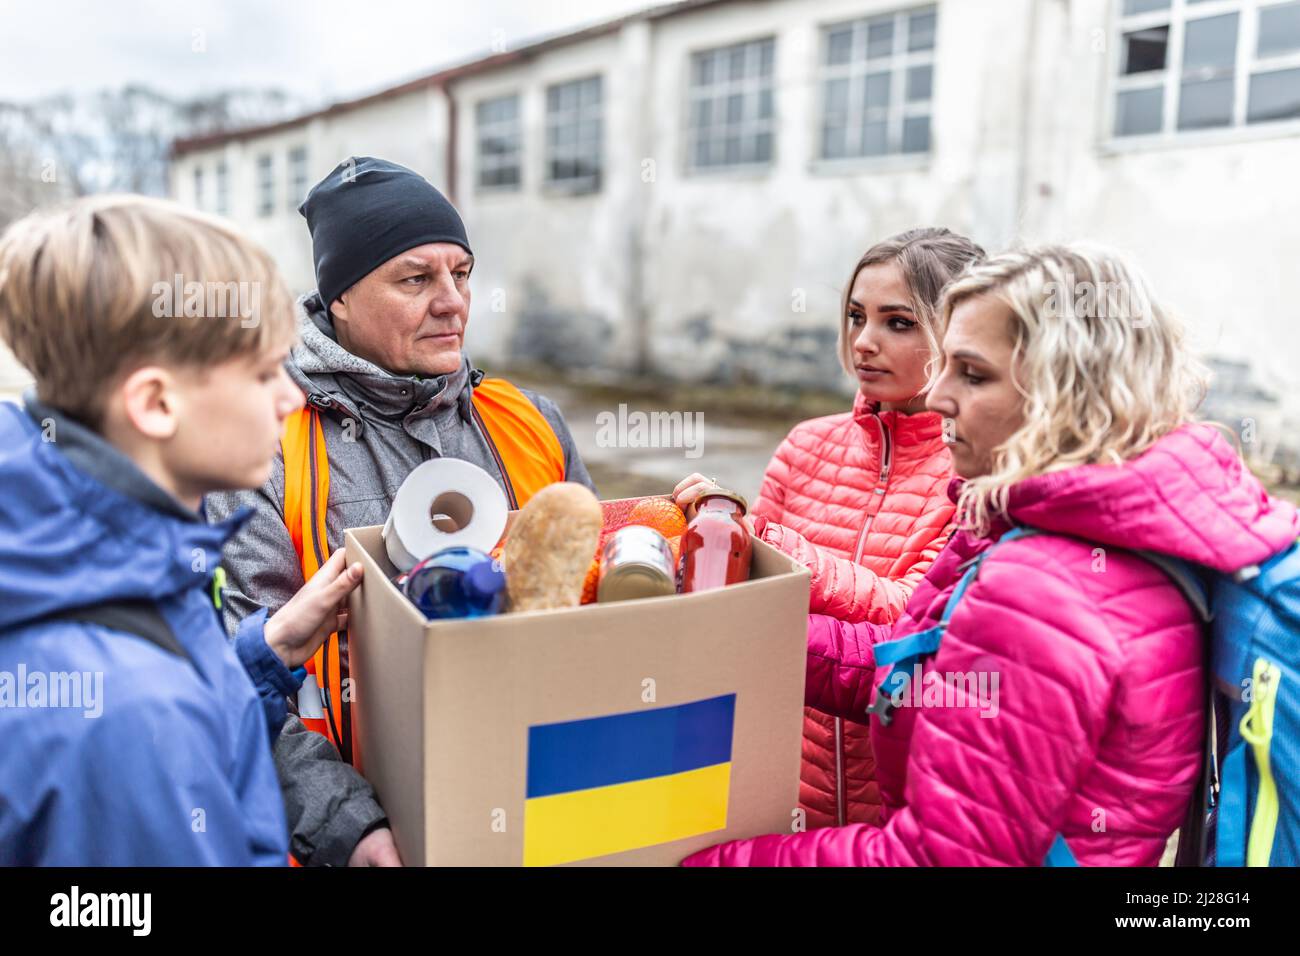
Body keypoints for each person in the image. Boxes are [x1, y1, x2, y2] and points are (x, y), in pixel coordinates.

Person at [683, 244, 1300, 866]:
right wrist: (749, 635)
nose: (939, 394)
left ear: (1065, 392)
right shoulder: (1102, 531)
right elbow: (922, 672)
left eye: (972, 375)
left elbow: (941, 859)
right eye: (945, 364)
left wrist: (711, 863)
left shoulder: (1040, 585)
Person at [205, 156, 596, 866]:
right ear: (342, 298)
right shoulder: (264, 443)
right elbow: (241, 675)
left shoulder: (529, 423)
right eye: (416, 278)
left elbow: (601, 616)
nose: (453, 302)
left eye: (462, 273)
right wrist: (347, 825)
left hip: (539, 806)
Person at [0, 195, 361, 864]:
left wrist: (263, 656)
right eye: (263, 373)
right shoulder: (125, 719)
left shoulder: (100, 555)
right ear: (156, 403)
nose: (292, 397)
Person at [674, 228, 984, 829]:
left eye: (899, 322)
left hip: (907, 805)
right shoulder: (805, 446)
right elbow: (745, 597)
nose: (864, 342)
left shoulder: (975, 465)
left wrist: (761, 537)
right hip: (786, 790)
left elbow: (909, 619)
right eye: (855, 316)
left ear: (961, 335)